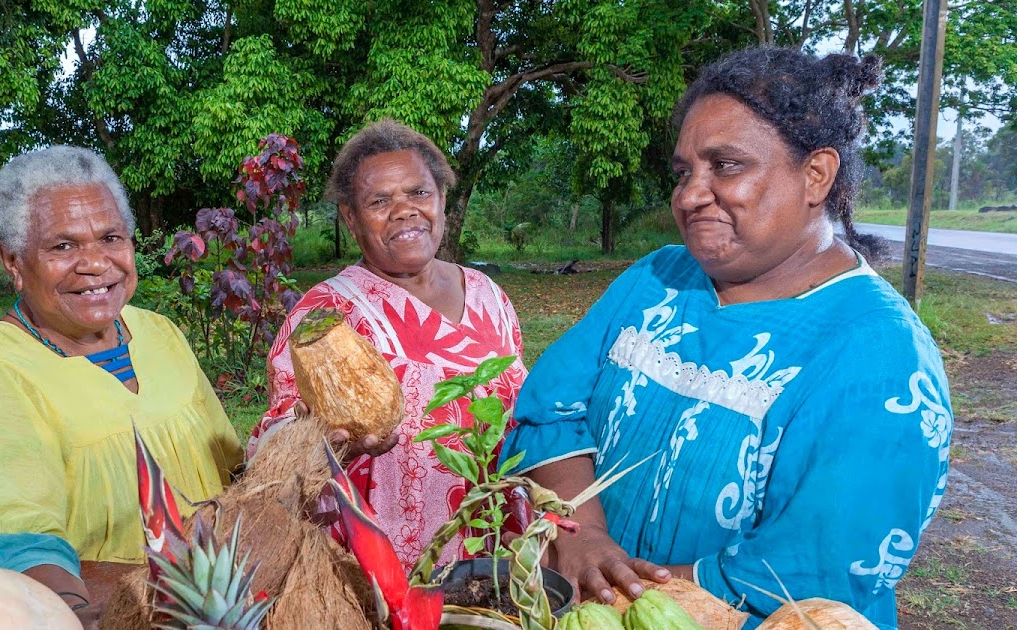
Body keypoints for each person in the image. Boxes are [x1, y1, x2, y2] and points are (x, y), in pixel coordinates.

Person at [501, 48, 951, 629]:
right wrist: (583, 537)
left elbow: (816, 565)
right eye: (684, 172)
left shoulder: (878, 356)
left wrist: (626, 591)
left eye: (727, 166)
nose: (690, 195)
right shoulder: (655, 280)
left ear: (816, 175)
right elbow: (551, 410)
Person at [0, 146, 243, 624]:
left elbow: (231, 465)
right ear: (13, 261)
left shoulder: (158, 333)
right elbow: (18, 545)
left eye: (111, 237)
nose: (95, 263)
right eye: (63, 246)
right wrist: (82, 615)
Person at [248, 120, 527, 569]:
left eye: (418, 193)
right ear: (351, 218)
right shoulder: (325, 314)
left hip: (491, 553)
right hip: (380, 569)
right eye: (380, 201)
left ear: (441, 198)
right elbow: (275, 446)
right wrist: (323, 444)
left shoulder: (487, 294)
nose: (404, 210)